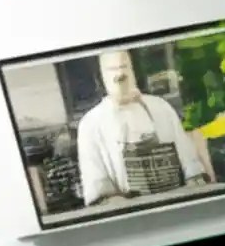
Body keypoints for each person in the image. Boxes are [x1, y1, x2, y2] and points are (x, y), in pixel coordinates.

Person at [76, 50, 207, 205]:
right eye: (111, 69)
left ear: (134, 71)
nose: (120, 74)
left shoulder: (161, 108)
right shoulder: (90, 124)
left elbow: (192, 168)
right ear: (100, 76)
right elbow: (98, 191)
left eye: (124, 67)